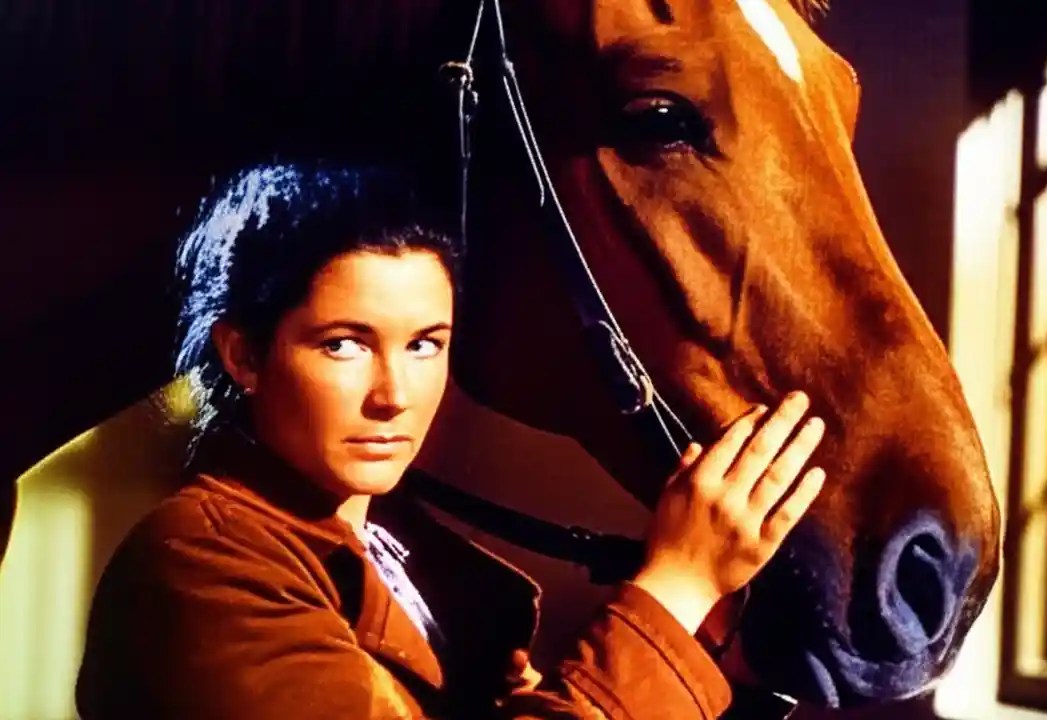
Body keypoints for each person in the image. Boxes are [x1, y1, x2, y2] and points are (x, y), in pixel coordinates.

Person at [75, 161, 827, 719]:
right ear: (243, 356)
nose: (393, 395)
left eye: (426, 344)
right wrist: (674, 589)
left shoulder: (407, 556)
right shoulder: (198, 563)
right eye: (344, 344)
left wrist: (712, 637)